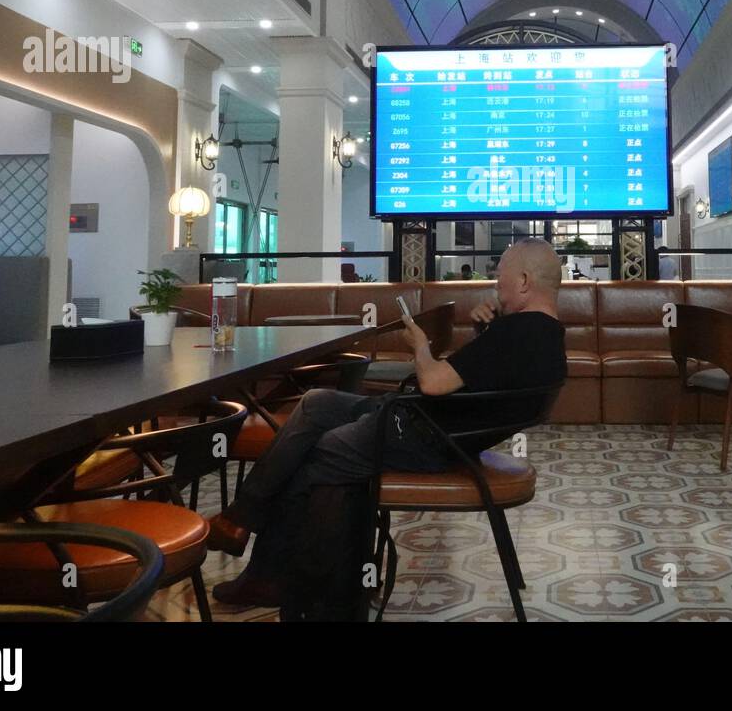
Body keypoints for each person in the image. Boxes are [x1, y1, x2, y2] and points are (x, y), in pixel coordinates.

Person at [206, 239, 567, 609]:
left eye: (500, 274)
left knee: (314, 453)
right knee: (317, 403)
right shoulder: (544, 336)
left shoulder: (518, 332)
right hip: (421, 423)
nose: (495, 282)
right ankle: (241, 519)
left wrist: (420, 344)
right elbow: (487, 379)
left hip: (420, 435)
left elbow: (433, 382)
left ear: (523, 281)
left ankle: (278, 579)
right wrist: (484, 334)